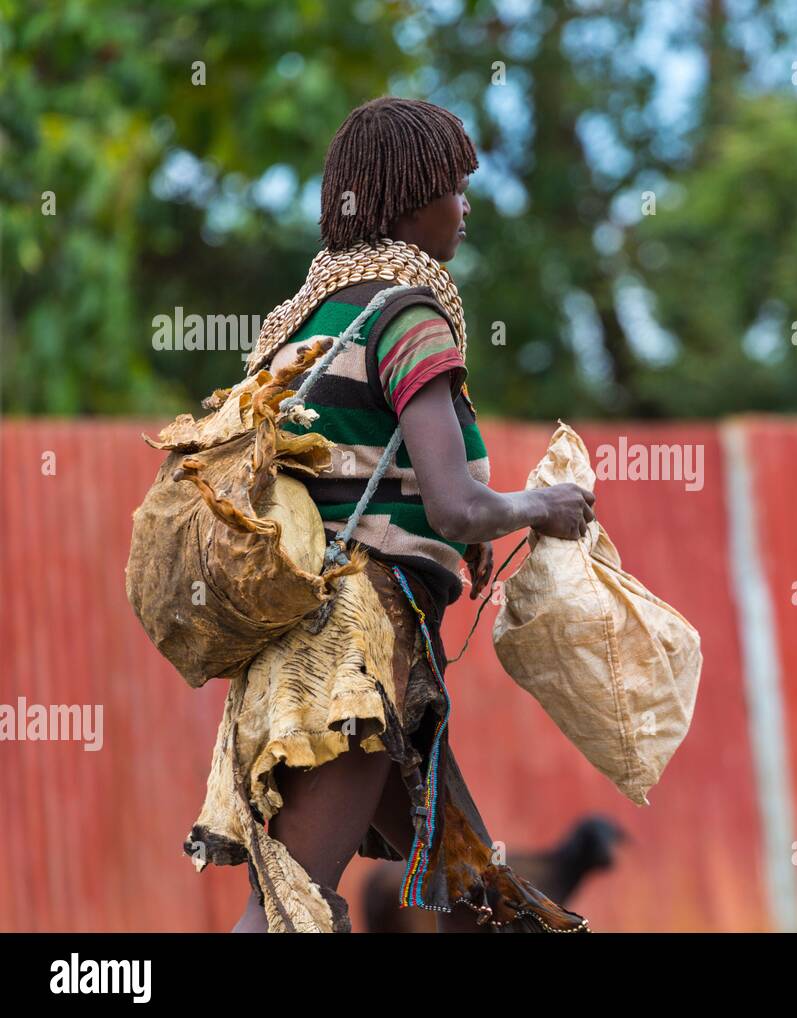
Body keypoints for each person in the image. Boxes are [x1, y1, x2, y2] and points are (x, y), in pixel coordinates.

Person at [182, 96, 596, 933]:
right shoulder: (406, 312)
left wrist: (452, 541)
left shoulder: (304, 326)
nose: (466, 206)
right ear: (408, 201)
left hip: (316, 651)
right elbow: (458, 501)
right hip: (357, 659)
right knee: (288, 911)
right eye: (453, 188)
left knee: (485, 907)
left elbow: (360, 475)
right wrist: (543, 506)